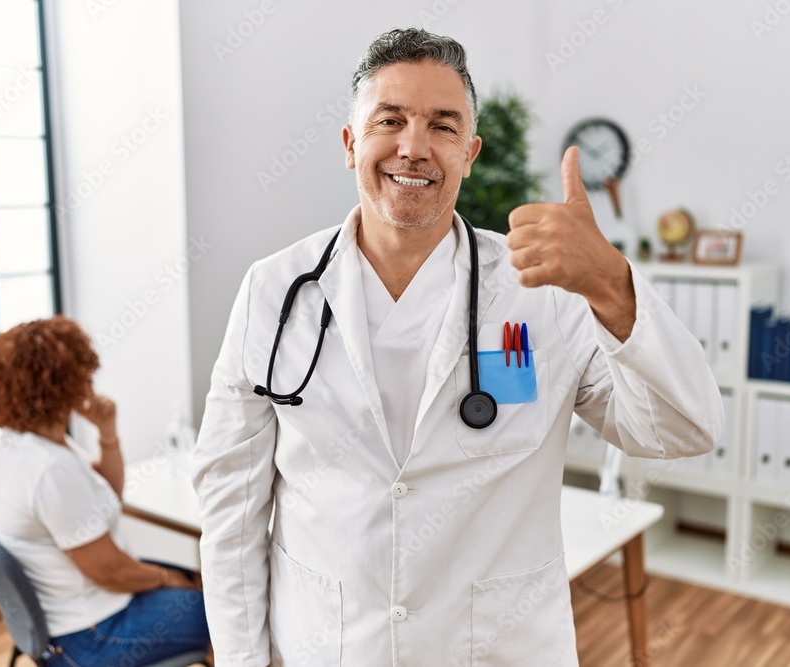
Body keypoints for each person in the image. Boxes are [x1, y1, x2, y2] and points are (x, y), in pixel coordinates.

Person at [193, 28, 723, 666]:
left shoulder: (545, 294)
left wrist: (612, 283)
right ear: (349, 142)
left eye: (443, 127)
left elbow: (685, 428)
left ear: (469, 152)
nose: (413, 148)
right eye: (389, 120)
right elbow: (231, 510)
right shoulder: (273, 292)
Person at [0, 315, 213, 667]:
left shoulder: (30, 444)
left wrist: (107, 433)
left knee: (200, 583)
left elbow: (107, 494)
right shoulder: (49, 469)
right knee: (225, 608)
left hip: (72, 614)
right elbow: (110, 572)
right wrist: (166, 579)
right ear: (69, 383)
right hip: (92, 635)